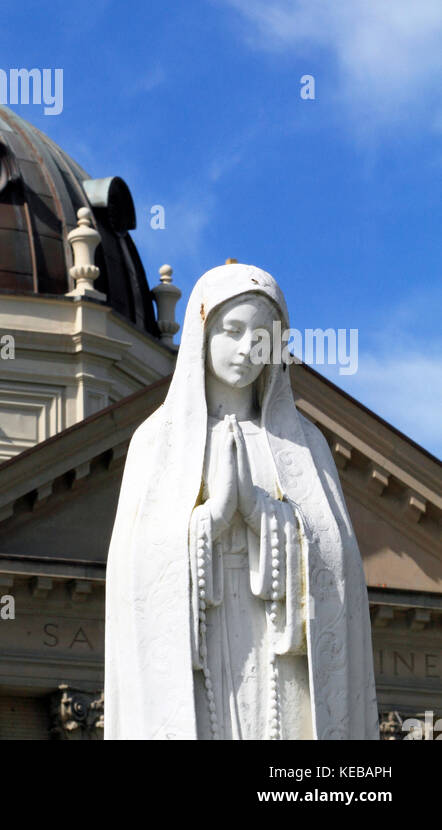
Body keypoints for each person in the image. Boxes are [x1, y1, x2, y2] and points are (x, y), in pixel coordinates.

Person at [104, 261, 378, 740]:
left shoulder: (304, 444)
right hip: (200, 659)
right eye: (232, 330)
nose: (246, 349)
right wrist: (208, 520)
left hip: (281, 656)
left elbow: (340, 566)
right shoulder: (158, 442)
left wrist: (258, 512)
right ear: (202, 333)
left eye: (261, 337)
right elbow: (135, 575)